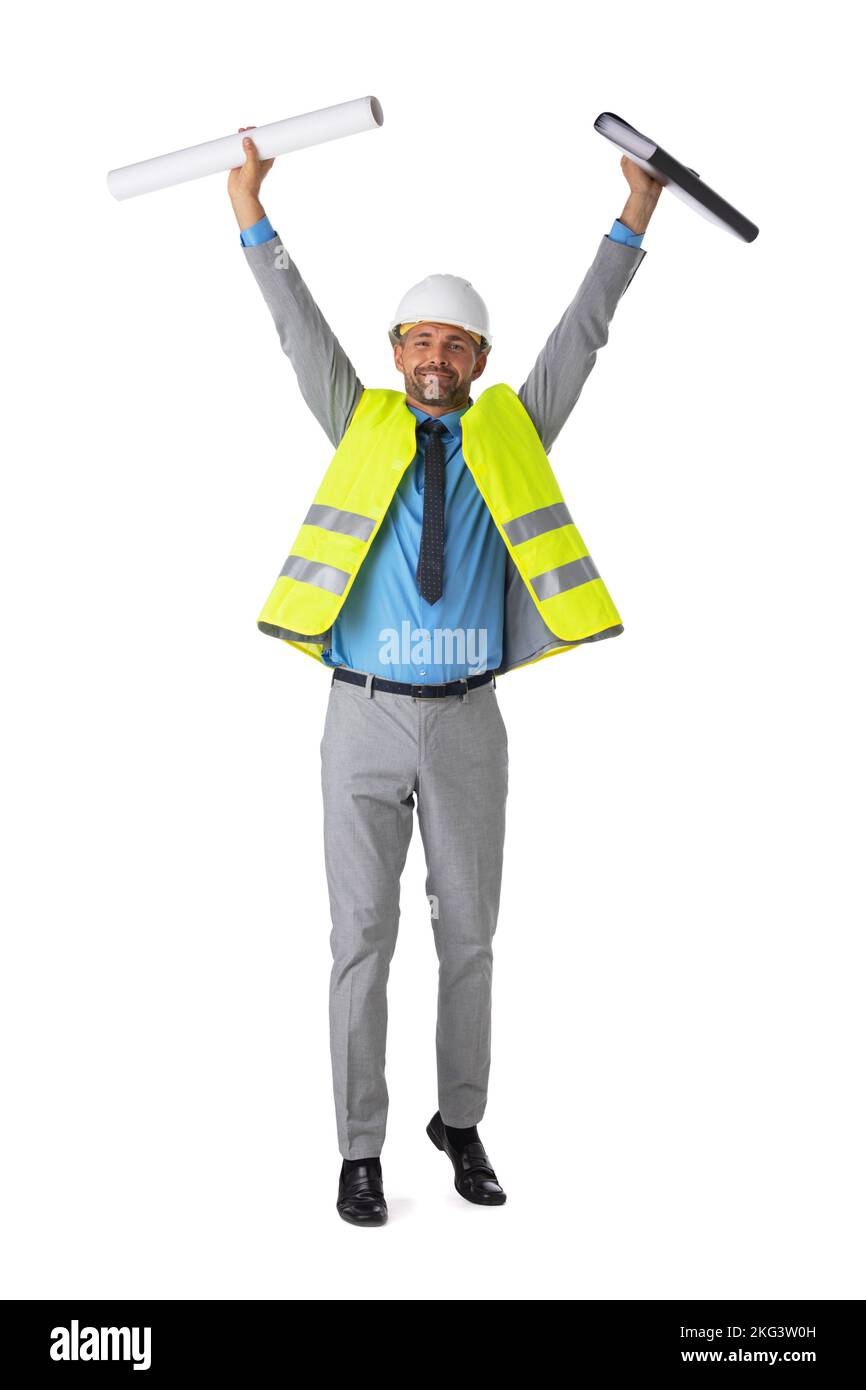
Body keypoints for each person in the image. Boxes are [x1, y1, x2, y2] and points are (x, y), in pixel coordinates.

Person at [228, 128, 662, 1226]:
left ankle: (459, 1121)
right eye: (416, 340)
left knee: (468, 935)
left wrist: (634, 214)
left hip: (469, 721)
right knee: (359, 939)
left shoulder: (514, 433)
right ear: (394, 353)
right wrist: (252, 216)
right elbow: (295, 334)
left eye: (454, 344)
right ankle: (359, 1148)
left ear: (476, 359)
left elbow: (584, 335)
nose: (432, 358)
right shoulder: (357, 422)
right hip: (360, 721)